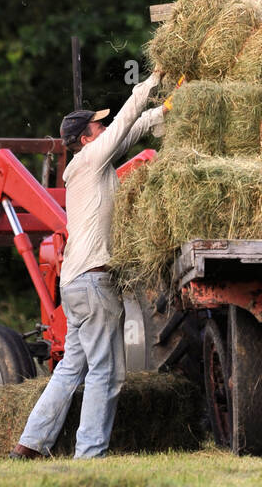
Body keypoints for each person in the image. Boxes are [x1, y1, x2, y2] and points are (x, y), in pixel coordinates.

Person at [10, 73, 168, 459]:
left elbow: (133, 127)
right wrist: (155, 79)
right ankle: (89, 455)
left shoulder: (92, 164)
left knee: (69, 371)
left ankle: (30, 444)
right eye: (99, 125)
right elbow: (128, 119)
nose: (105, 127)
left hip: (77, 285)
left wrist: (166, 109)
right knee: (106, 373)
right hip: (96, 283)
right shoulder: (89, 160)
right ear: (85, 138)